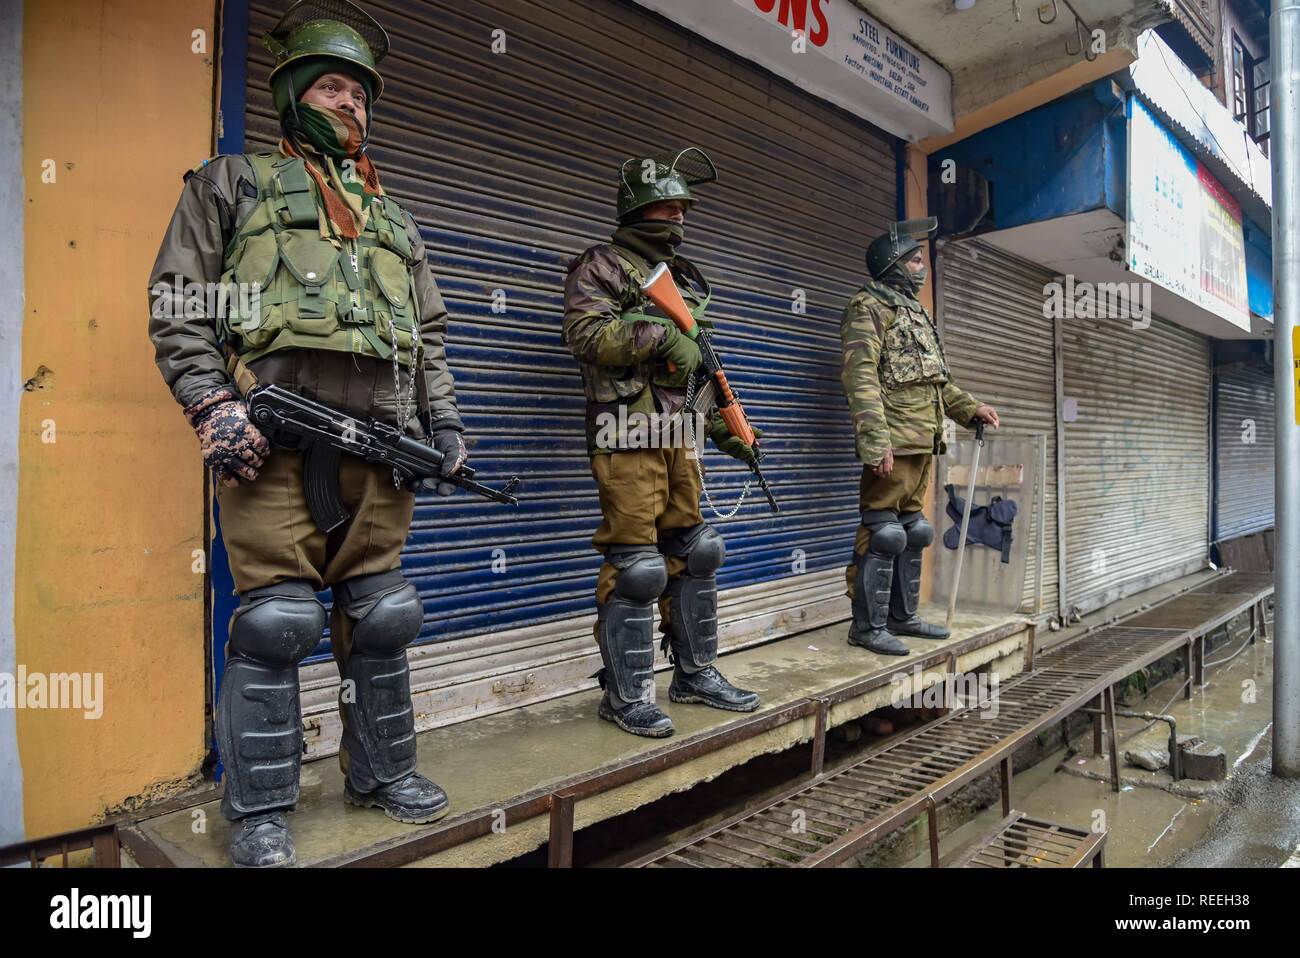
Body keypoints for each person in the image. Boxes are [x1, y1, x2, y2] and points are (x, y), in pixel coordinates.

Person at [147, 0, 466, 867]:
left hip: (383, 448)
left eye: (361, 95)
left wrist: (446, 423)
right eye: (332, 87)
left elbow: (428, 335)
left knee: (383, 615)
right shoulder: (232, 184)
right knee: (278, 624)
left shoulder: (393, 217)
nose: (350, 105)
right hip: (272, 442)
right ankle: (259, 810)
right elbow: (180, 307)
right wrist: (211, 405)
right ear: (290, 93)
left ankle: (382, 773)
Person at [561, 149, 761, 738]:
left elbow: (698, 372)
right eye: (667, 207)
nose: (678, 218)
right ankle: (625, 697)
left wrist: (730, 432)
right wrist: (661, 336)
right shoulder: (601, 265)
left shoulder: (685, 280)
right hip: (624, 436)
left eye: (683, 209)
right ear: (637, 209)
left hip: (680, 436)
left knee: (697, 552)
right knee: (638, 568)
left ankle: (696, 675)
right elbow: (586, 333)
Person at [840, 219, 1000, 656]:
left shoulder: (916, 313)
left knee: (915, 530)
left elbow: (936, 382)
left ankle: (902, 617)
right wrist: (875, 441)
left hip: (923, 440)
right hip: (893, 441)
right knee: (883, 532)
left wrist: (970, 409)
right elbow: (861, 377)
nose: (920, 268)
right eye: (913, 259)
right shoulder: (867, 307)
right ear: (892, 263)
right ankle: (866, 627)